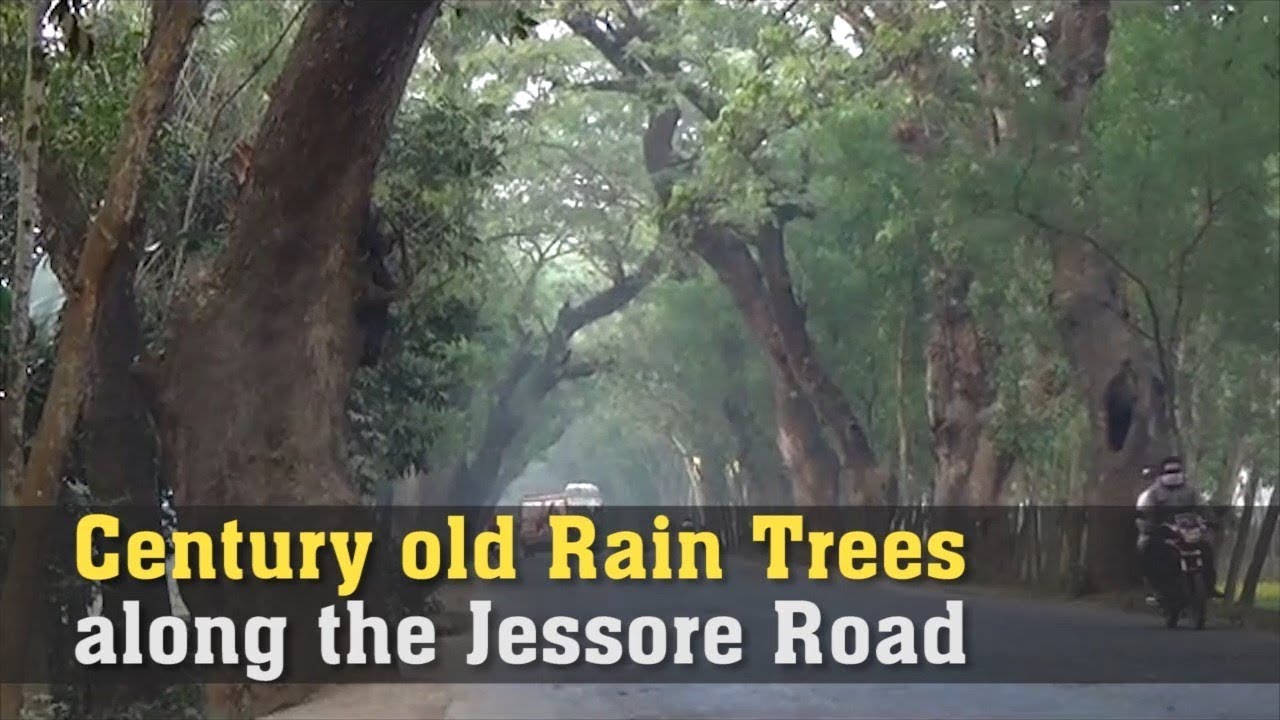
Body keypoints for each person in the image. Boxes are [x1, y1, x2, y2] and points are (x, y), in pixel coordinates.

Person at [1135, 455, 1223, 603]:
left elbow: (1203, 507)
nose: (1173, 475)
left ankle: (1209, 587)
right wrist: (1148, 522)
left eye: (1176, 471)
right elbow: (1145, 511)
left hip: (1188, 531)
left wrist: (1213, 520)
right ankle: (1157, 590)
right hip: (1163, 532)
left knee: (1206, 549)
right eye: (1169, 472)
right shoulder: (1154, 492)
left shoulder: (1191, 491)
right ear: (1162, 474)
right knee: (1150, 551)